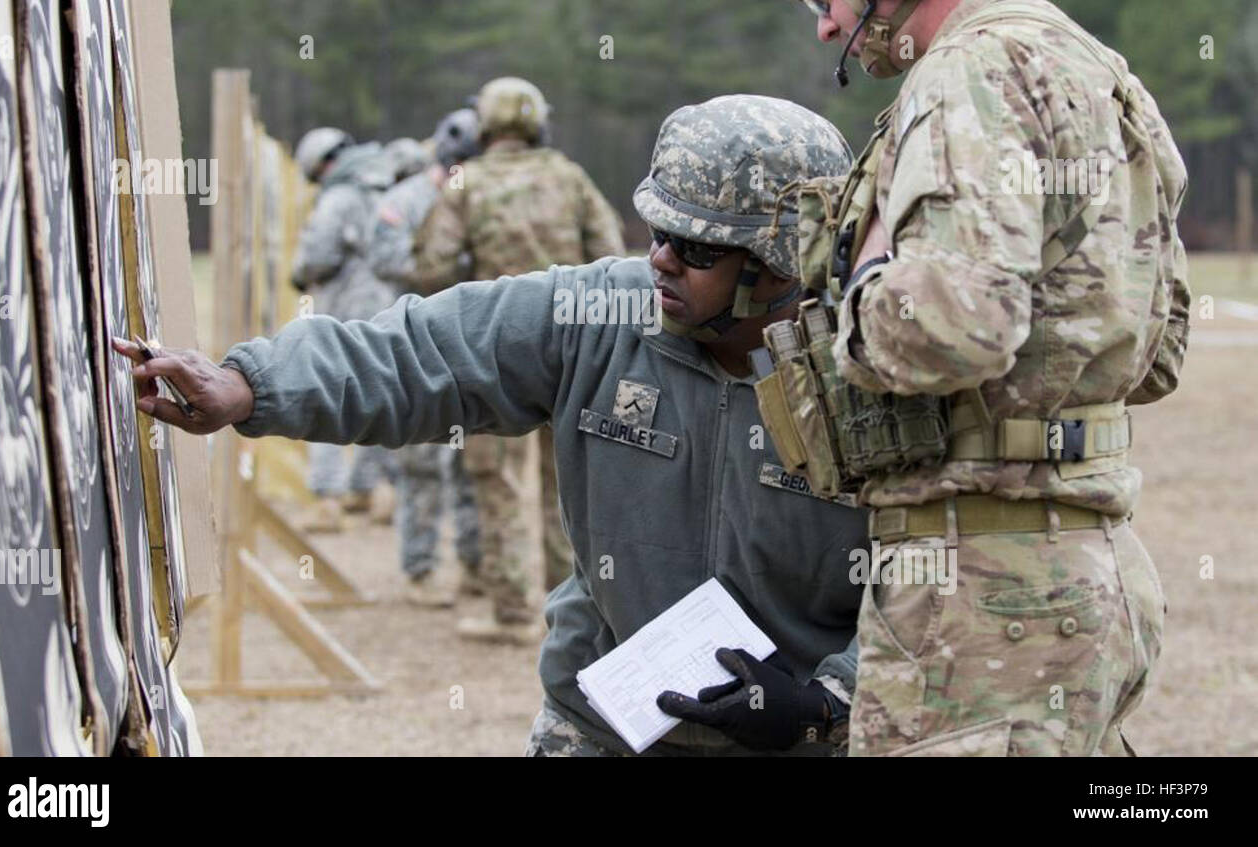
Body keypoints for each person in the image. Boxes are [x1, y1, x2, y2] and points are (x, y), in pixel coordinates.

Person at [114, 94, 867, 757]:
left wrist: (831, 701)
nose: (660, 260)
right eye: (656, 230)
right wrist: (248, 386)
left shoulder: (879, 370)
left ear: (778, 264)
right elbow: (425, 352)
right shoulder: (603, 313)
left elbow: (950, 568)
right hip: (603, 728)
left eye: (696, 248)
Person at [750, 0, 1187, 755]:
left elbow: (950, 329)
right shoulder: (1097, 71)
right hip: (1086, 570)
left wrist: (864, 272)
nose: (828, 23)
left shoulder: (962, 76)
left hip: (983, 600)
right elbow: (1164, 345)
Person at [411, 77, 626, 644]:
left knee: (498, 482)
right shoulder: (570, 177)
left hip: (494, 353)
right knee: (570, 485)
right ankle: (574, 609)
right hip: (575, 353)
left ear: (484, 124)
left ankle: (510, 613)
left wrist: (475, 291)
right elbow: (612, 257)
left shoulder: (464, 180)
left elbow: (431, 266)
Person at [368, 115, 483, 606]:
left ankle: (476, 567)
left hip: (474, 343)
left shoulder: (485, 193)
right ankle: (420, 570)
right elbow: (385, 257)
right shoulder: (404, 200)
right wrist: (444, 266)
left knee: (472, 465)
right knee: (420, 464)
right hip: (416, 341)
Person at [291, 127, 399, 526]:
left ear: (322, 164)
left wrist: (300, 275)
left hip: (343, 310)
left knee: (327, 393)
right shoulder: (386, 190)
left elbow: (318, 253)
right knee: (380, 394)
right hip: (387, 308)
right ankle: (375, 490)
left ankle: (328, 499)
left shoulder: (337, 198)